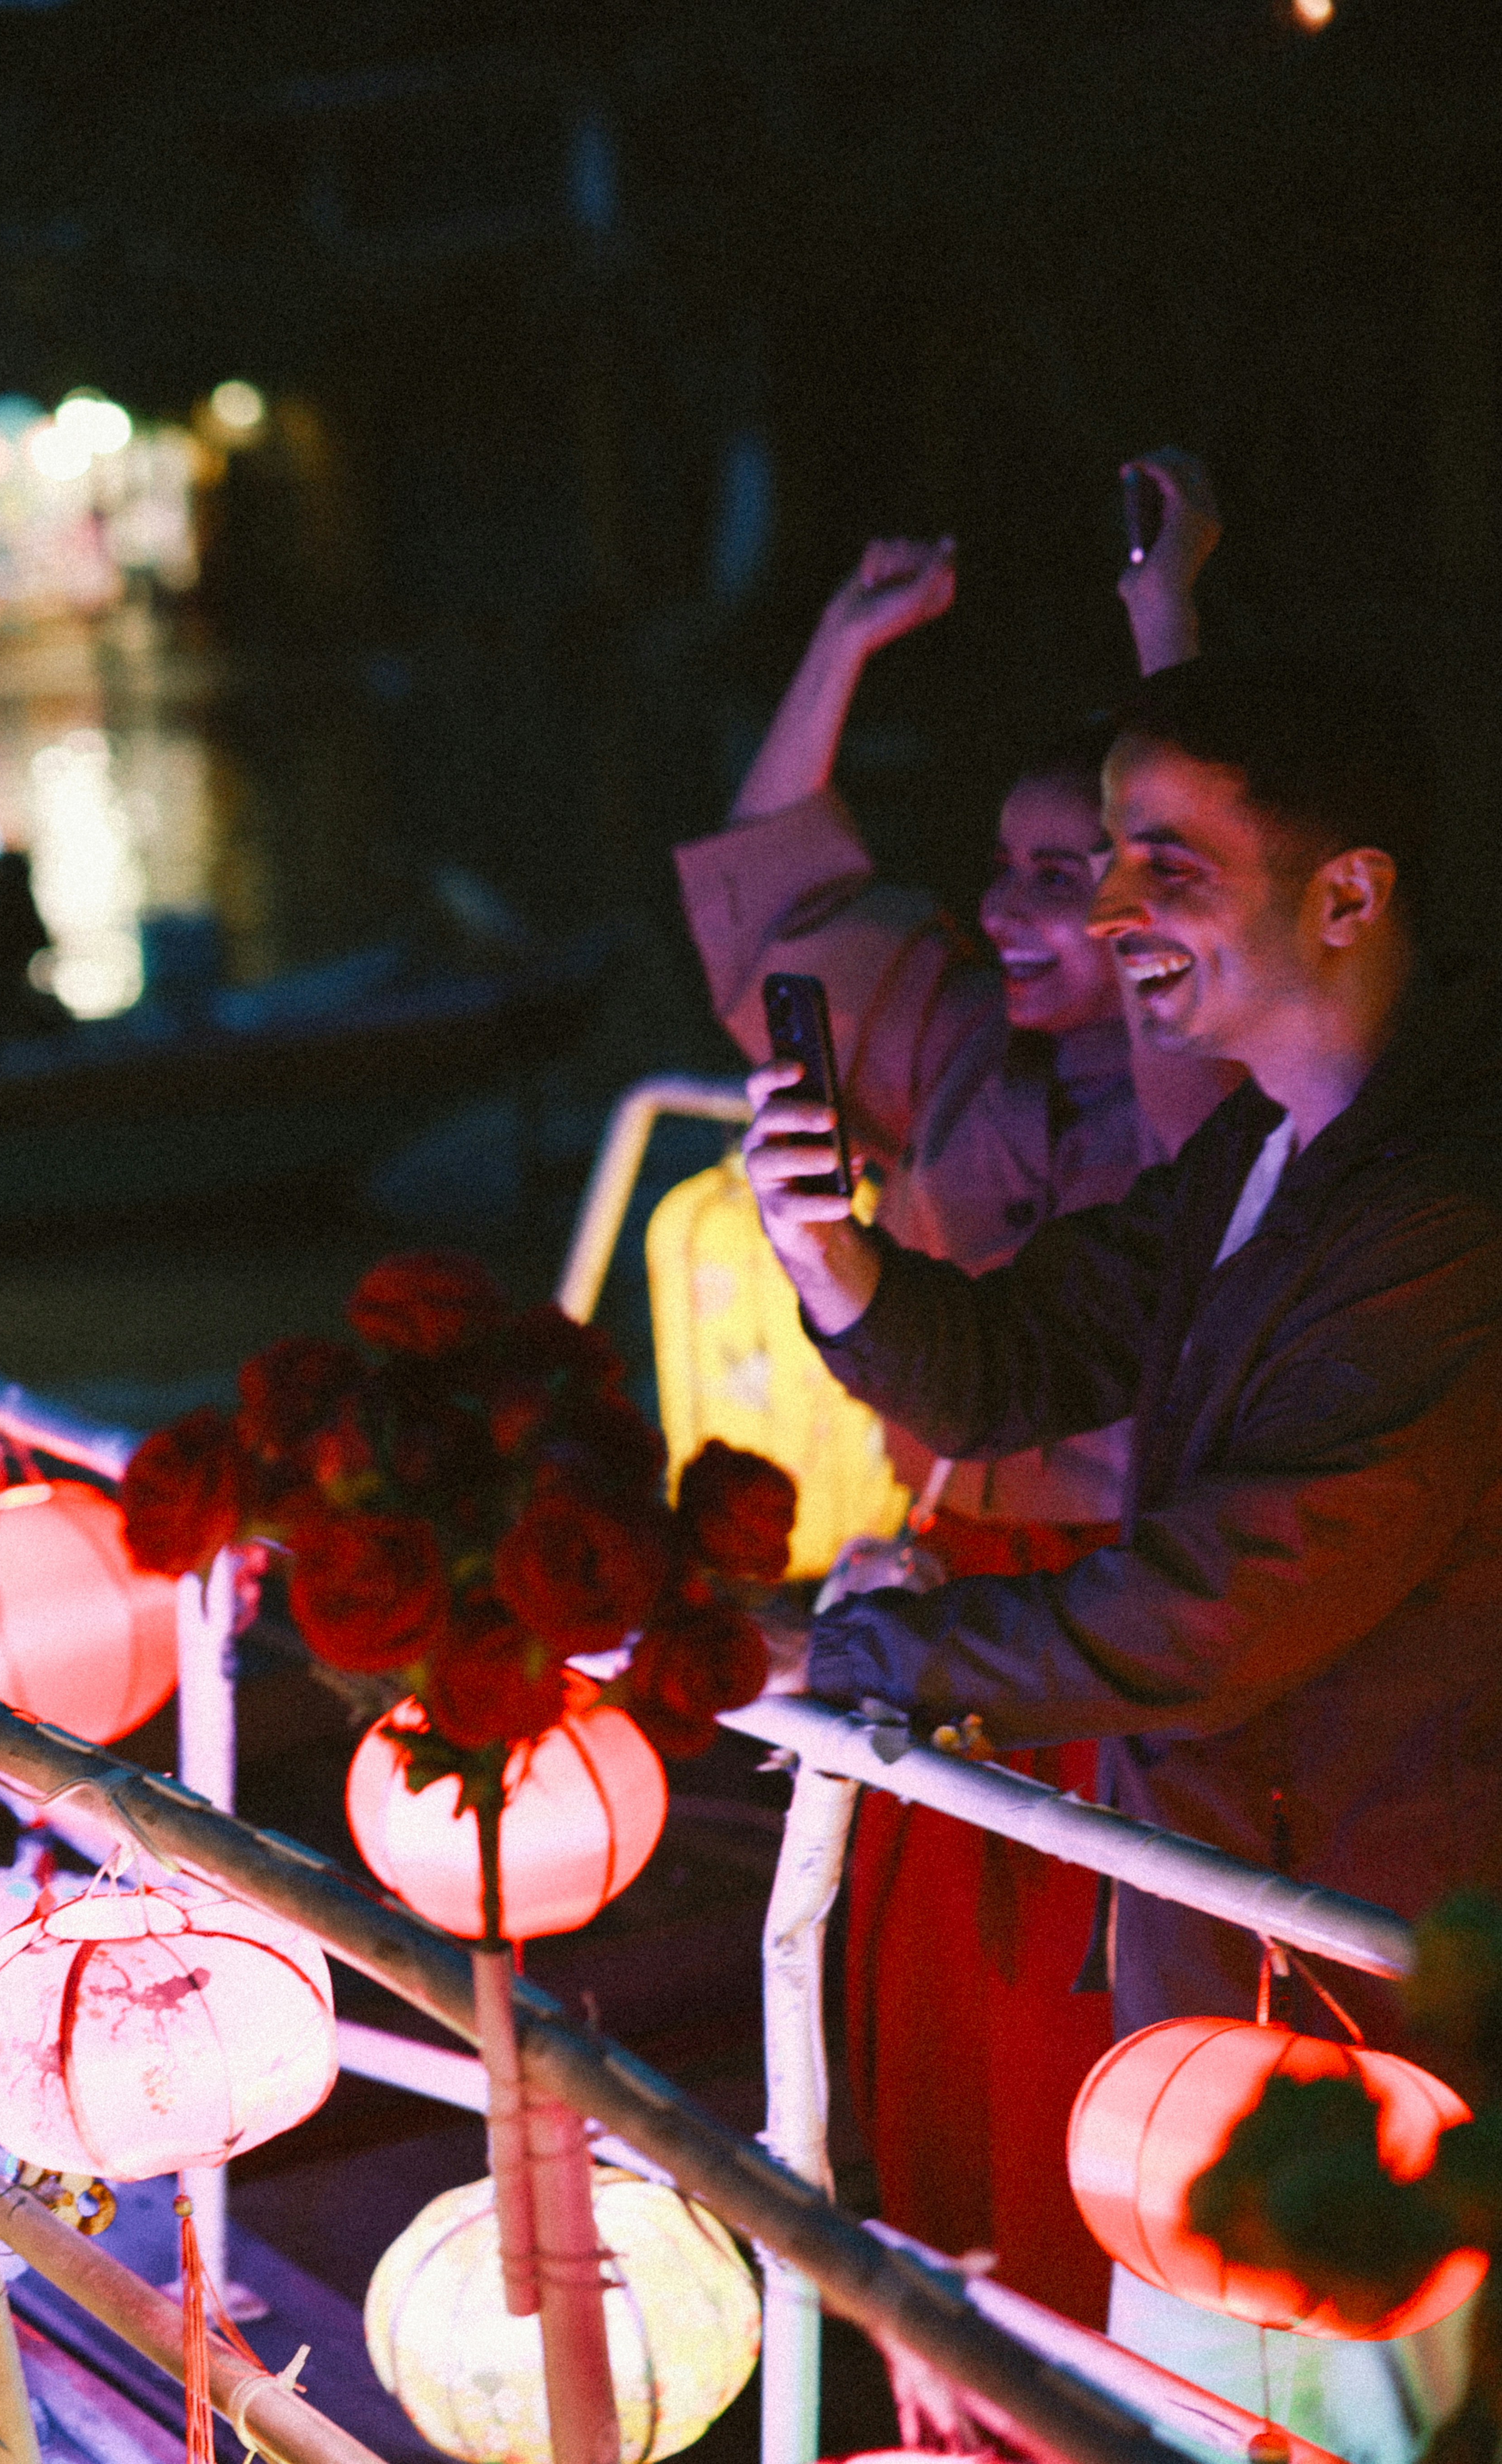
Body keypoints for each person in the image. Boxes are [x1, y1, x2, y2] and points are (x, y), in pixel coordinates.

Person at [745, 654, 1502, 2464]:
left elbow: (1227, 1598)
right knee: (1214, 2400)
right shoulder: (1252, 1145)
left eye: (1161, 860)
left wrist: (870, 1658)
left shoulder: (1436, 1212)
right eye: (1104, 855)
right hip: (1217, 1917)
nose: (1101, 910)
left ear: (1345, 889)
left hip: (1380, 1941)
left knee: (1375, 2405)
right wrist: (828, 1254)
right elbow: (1014, 1359)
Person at [674, 458, 1229, 2329]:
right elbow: (773, 911)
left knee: (1083, 2026)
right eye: (1000, 866)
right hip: (962, 1593)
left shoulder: (1210, 1089)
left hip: (1130, 1619)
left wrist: (1169, 628)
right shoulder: (958, 1045)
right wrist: (837, 640)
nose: (1005, 907)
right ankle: (957, 2360)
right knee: (929, 2043)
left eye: (1058, 876)